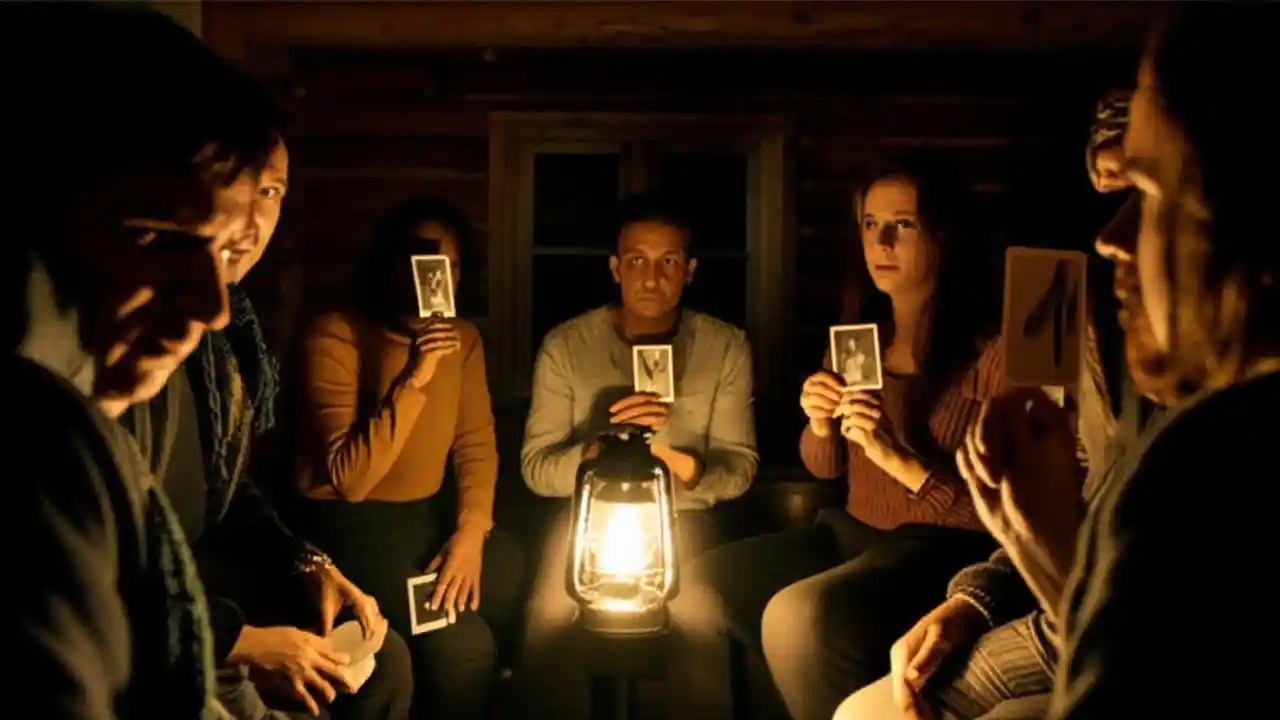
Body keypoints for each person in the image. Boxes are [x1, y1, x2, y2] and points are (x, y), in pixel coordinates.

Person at [832, 91, 1151, 720]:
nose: (1112, 240)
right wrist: (972, 603)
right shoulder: (1084, 330)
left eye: (1151, 197)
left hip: (1096, 624)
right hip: (1044, 604)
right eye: (870, 224)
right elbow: (1063, 498)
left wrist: (907, 466)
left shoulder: (1003, 342)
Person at [2, 4, 282, 717]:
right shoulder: (37, 445)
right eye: (158, 238)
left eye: (220, 247)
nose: (213, 306)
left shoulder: (112, 421)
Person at [696, 155, 1003, 720]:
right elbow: (825, 467)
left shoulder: (991, 352)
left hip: (939, 547)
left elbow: (1002, 515)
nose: (881, 242)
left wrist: (898, 459)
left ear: (943, 235)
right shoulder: (862, 339)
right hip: (851, 530)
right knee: (706, 582)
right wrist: (820, 424)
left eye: (902, 224)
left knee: (801, 613)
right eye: (870, 223)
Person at [124, 132, 414, 719]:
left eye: (271, 192)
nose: (253, 222)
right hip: (151, 615)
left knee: (381, 659)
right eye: (238, 187)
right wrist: (243, 643)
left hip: (206, 585)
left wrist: (309, 565)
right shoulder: (129, 348)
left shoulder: (223, 340)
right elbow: (115, 559)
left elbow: (227, 496)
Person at [518, 191, 758, 718]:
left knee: (700, 624)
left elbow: (739, 468)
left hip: (682, 520)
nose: (652, 278)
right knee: (550, 623)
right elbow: (536, 469)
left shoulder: (723, 347)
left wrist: (669, 456)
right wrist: (602, 448)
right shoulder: (568, 346)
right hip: (587, 519)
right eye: (637, 261)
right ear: (615, 268)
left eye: (668, 261)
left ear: (689, 270)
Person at [290, 197, 521, 720]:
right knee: (463, 647)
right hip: (352, 526)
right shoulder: (336, 334)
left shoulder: (464, 340)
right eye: (425, 263)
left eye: (451, 266)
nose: (439, 279)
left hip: (421, 516)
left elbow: (475, 443)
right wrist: (414, 377)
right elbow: (349, 478)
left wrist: (471, 533)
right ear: (394, 265)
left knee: (506, 568)